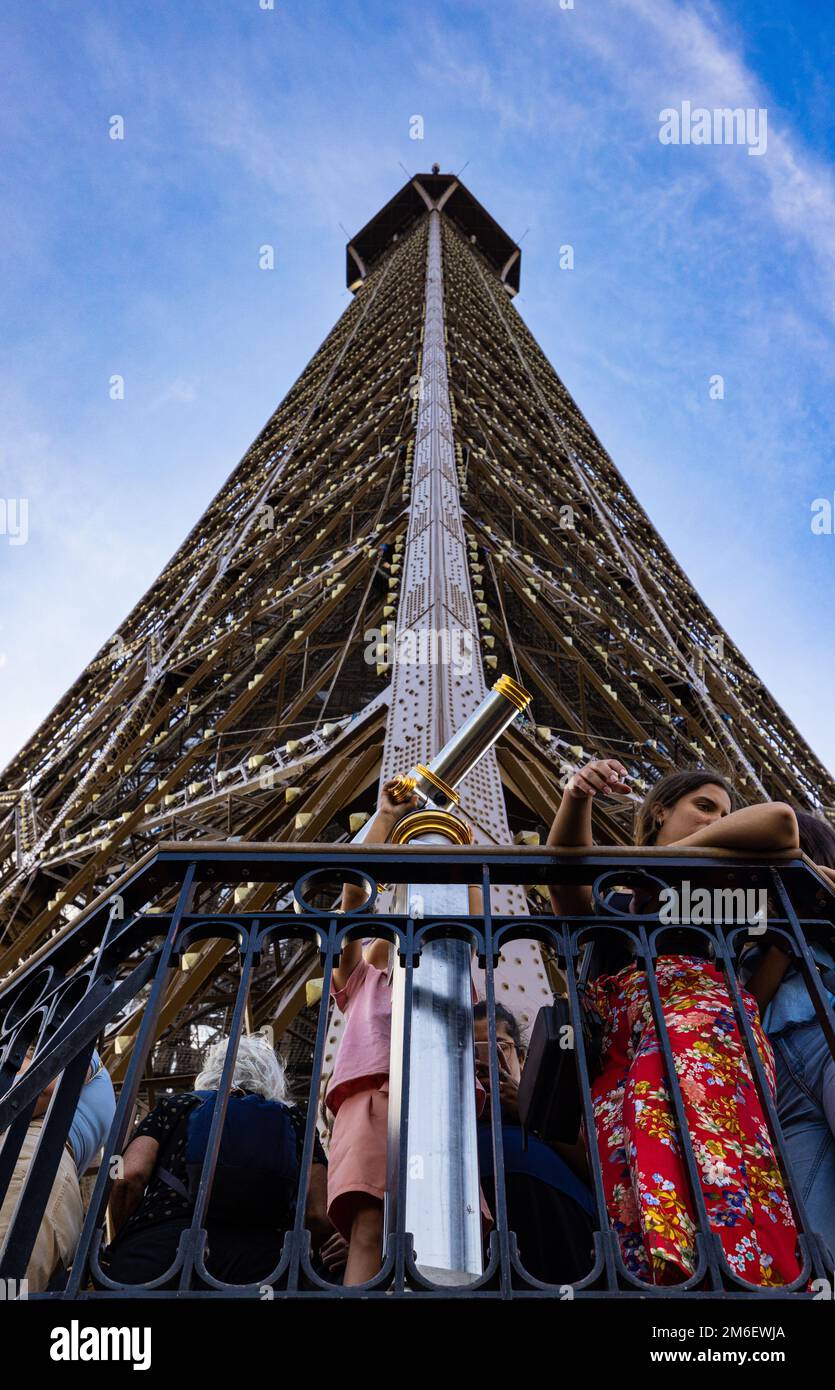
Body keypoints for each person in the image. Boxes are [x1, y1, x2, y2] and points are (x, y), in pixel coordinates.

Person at [548, 759, 802, 1287]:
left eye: (725, 814)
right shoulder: (617, 897)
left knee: (714, 1166)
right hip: (622, 1053)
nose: (715, 820)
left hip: (703, 1032)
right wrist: (577, 795)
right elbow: (565, 880)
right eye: (703, 806)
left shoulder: (715, 897)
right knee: (630, 1187)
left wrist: (660, 862)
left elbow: (780, 820)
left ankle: (742, 1289)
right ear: (659, 810)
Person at [325, 778, 488, 1285]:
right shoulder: (360, 981)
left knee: (453, 1233)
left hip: (444, 1105)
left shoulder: (456, 970)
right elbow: (354, 894)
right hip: (374, 1101)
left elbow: (476, 919)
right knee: (371, 1229)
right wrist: (386, 819)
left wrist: (459, 845)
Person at [102, 1033, 336, 1287]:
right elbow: (317, 1215)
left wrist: (131, 1235)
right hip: (267, 1263)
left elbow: (128, 1177)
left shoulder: (176, 1106)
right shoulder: (295, 1121)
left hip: (164, 1250)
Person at [745, 809, 835, 1262]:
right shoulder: (750, 924)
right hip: (780, 1076)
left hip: (826, 1039)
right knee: (819, 1239)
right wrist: (783, 934)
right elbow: (750, 1007)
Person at [473, 1001, 595, 1285]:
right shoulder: (450, 1115)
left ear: (523, 1056)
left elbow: (595, 1167)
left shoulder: (554, 1101)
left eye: (499, 1047)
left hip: (562, 1226)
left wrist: (529, 1109)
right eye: (474, 1049)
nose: (485, 1060)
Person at [0, 1046, 116, 1291]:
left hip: (29, 1150)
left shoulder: (80, 1044)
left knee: (5, 1283)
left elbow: (41, 1090)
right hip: (32, 1161)